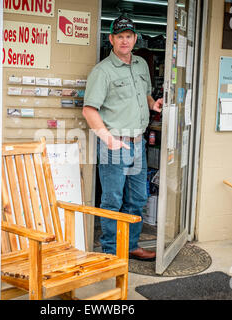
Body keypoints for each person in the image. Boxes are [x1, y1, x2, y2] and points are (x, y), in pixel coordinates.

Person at [82, 15, 163, 261]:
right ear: (111, 39)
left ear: (135, 38)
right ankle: (109, 251)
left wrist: (154, 104)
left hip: (138, 143)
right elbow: (89, 110)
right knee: (112, 200)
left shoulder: (140, 64)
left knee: (137, 198)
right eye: (120, 36)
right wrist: (108, 140)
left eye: (129, 36)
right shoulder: (102, 71)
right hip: (114, 144)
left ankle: (130, 245)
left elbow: (145, 94)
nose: (125, 41)